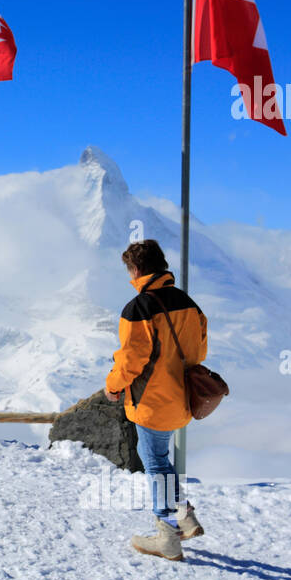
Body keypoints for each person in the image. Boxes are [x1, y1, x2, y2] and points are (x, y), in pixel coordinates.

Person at [103, 239, 207, 561]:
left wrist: (112, 385)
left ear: (136, 270)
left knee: (156, 464)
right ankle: (185, 518)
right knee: (161, 460)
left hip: (152, 402)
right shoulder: (188, 304)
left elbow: (130, 362)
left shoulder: (138, 309)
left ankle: (166, 536)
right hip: (181, 400)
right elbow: (198, 352)